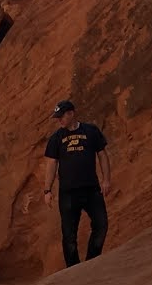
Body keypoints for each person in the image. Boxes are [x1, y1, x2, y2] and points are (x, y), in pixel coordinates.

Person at [42, 97, 111, 266]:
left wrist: (106, 180)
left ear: (71, 113)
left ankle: (91, 263)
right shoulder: (56, 138)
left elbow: (102, 155)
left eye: (61, 116)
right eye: (57, 117)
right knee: (69, 235)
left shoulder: (91, 131)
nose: (58, 120)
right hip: (68, 192)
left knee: (101, 225)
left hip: (91, 189)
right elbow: (52, 163)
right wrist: (47, 190)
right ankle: (73, 269)